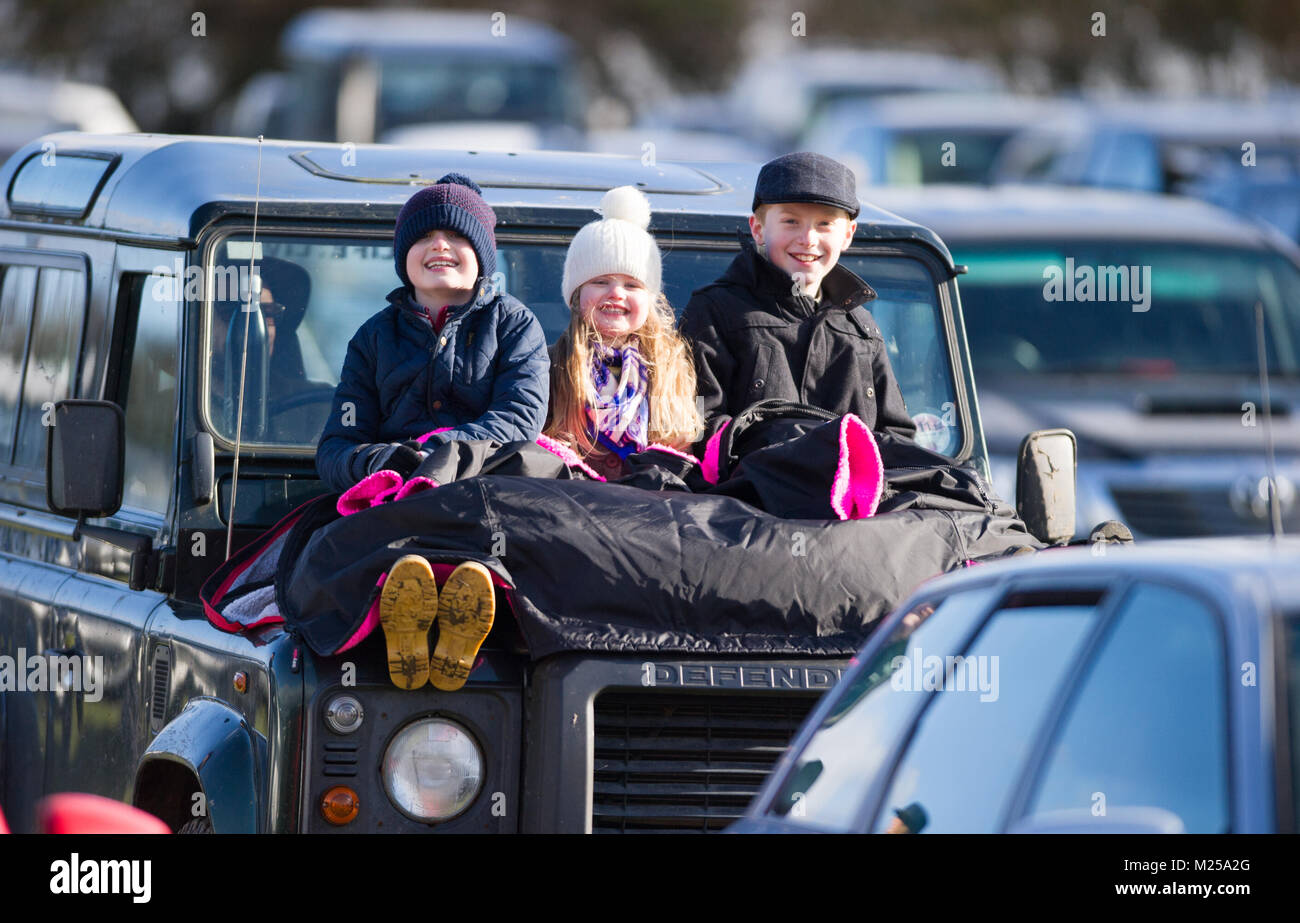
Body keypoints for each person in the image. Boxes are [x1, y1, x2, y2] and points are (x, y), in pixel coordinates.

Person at [315, 172, 550, 493]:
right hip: (388, 501)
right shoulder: (372, 338)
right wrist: (377, 463)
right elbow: (340, 440)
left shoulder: (514, 324)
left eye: (456, 235)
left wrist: (434, 452)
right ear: (403, 254)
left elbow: (518, 420)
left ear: (482, 255)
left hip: (489, 496)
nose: (439, 245)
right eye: (424, 235)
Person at [679, 151, 917, 442]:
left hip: (855, 486)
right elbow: (696, 425)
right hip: (748, 487)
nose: (808, 239)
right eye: (791, 221)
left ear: (848, 234)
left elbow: (898, 436)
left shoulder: (862, 329)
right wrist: (793, 451)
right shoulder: (715, 313)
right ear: (758, 229)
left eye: (825, 224)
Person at [544, 185, 703, 478]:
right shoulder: (551, 366)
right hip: (573, 507)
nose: (616, 293)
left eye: (632, 285)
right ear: (576, 296)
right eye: (601, 281)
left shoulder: (674, 368)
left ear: (650, 299)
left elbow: (687, 448)